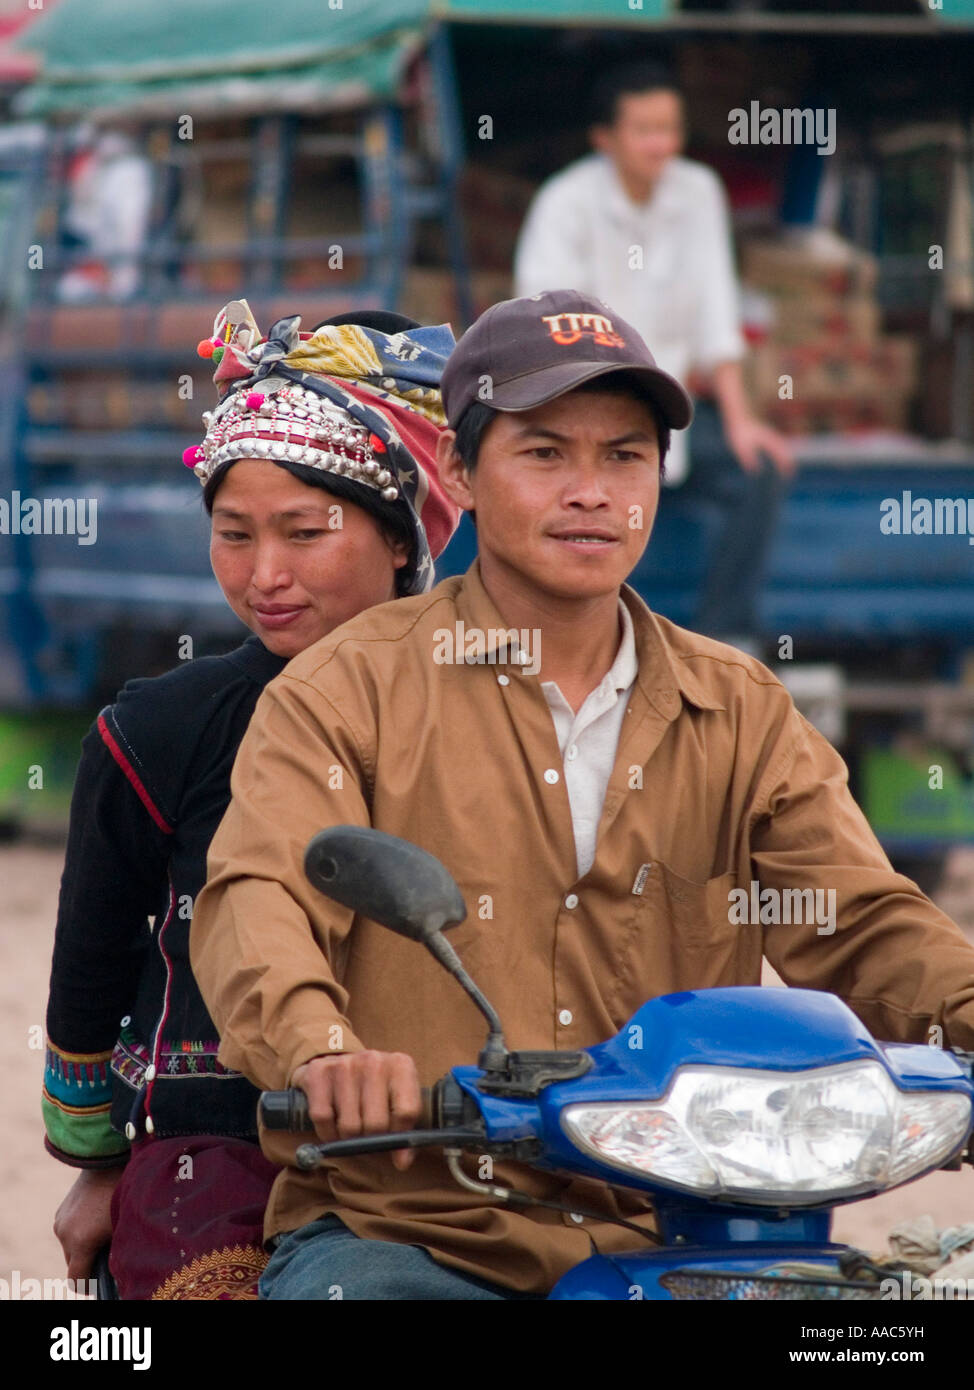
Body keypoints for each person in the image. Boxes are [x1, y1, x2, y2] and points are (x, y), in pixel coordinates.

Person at [190, 289, 974, 1301]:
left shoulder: (736, 708)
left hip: (695, 1227)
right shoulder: (345, 689)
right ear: (461, 473)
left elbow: (860, 922)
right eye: (545, 453)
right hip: (418, 1231)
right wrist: (322, 1049)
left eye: (624, 456)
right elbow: (259, 900)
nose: (591, 491)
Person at [42, 300, 459, 1300]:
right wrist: (100, 1167)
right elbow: (94, 959)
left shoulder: (491, 713)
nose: (264, 575)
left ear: (400, 535)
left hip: (440, 1146)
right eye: (234, 535)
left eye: (305, 532)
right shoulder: (159, 729)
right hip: (211, 1148)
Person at [513, 61, 794, 649]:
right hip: (586, 405)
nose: (659, 145)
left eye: (669, 128)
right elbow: (546, 324)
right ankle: (587, 632)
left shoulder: (699, 191)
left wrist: (743, 422)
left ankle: (726, 639)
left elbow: (718, 310)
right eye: (644, 130)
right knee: (588, 494)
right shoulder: (565, 203)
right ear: (605, 138)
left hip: (675, 404)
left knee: (758, 472)